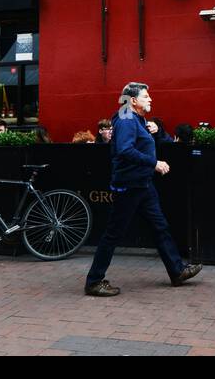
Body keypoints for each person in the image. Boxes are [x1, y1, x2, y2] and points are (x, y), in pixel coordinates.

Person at [85, 82, 201, 296]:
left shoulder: (136, 118)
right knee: (113, 234)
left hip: (142, 184)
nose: (150, 99)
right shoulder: (127, 118)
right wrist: (154, 163)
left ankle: (177, 271)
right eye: (146, 96)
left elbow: (138, 143)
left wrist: (154, 131)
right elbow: (125, 150)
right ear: (133, 100)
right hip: (129, 185)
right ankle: (94, 281)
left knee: (160, 227)